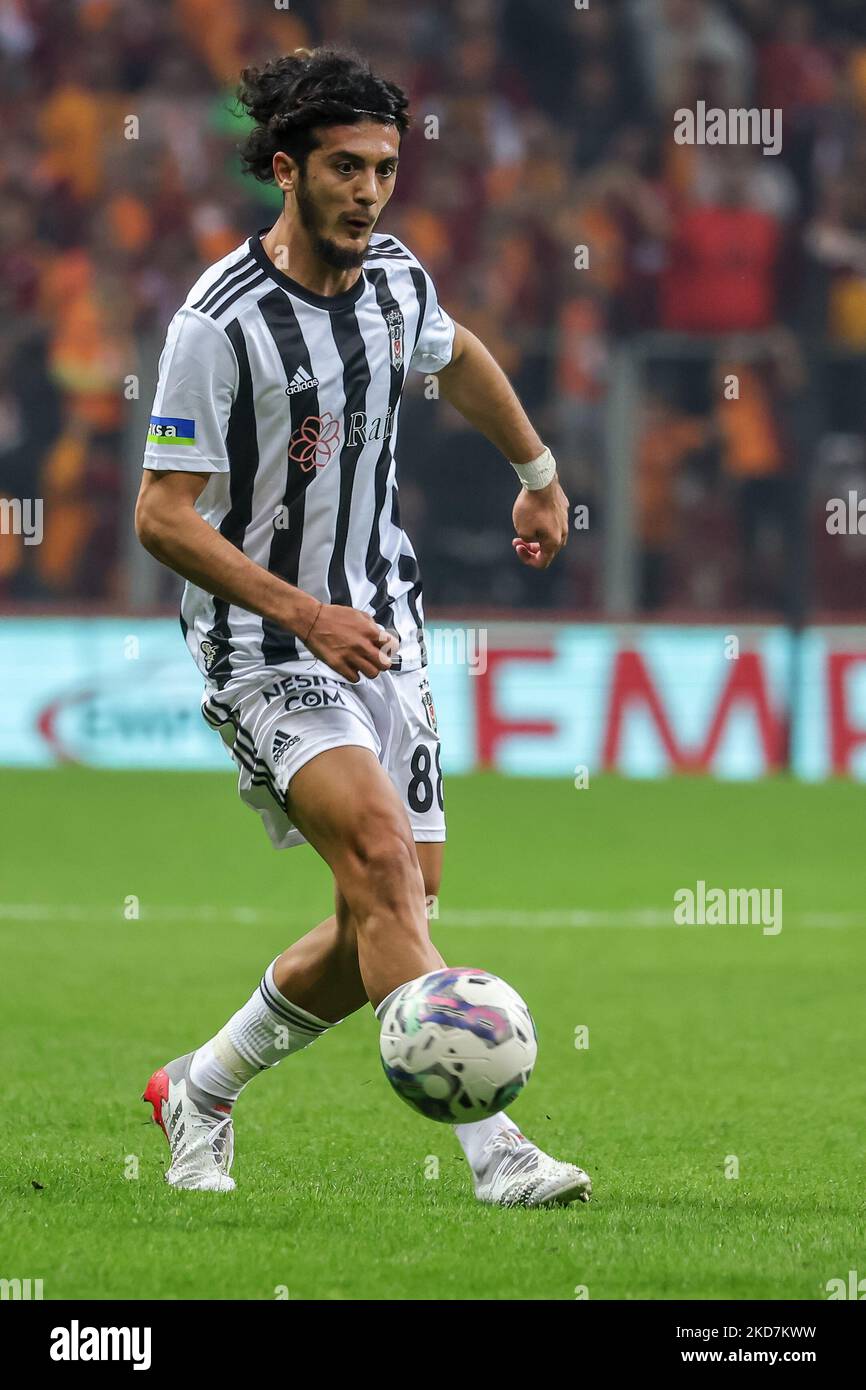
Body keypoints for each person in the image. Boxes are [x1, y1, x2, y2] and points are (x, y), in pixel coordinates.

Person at [134, 46, 590, 1208]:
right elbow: (160, 516)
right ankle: (497, 1151)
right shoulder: (215, 324)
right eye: (345, 167)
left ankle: (200, 1087)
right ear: (286, 168)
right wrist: (301, 612)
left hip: (382, 627)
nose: (369, 192)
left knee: (388, 911)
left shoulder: (394, 279)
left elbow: (458, 355)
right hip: (263, 642)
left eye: (384, 168)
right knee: (384, 861)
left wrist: (537, 472)